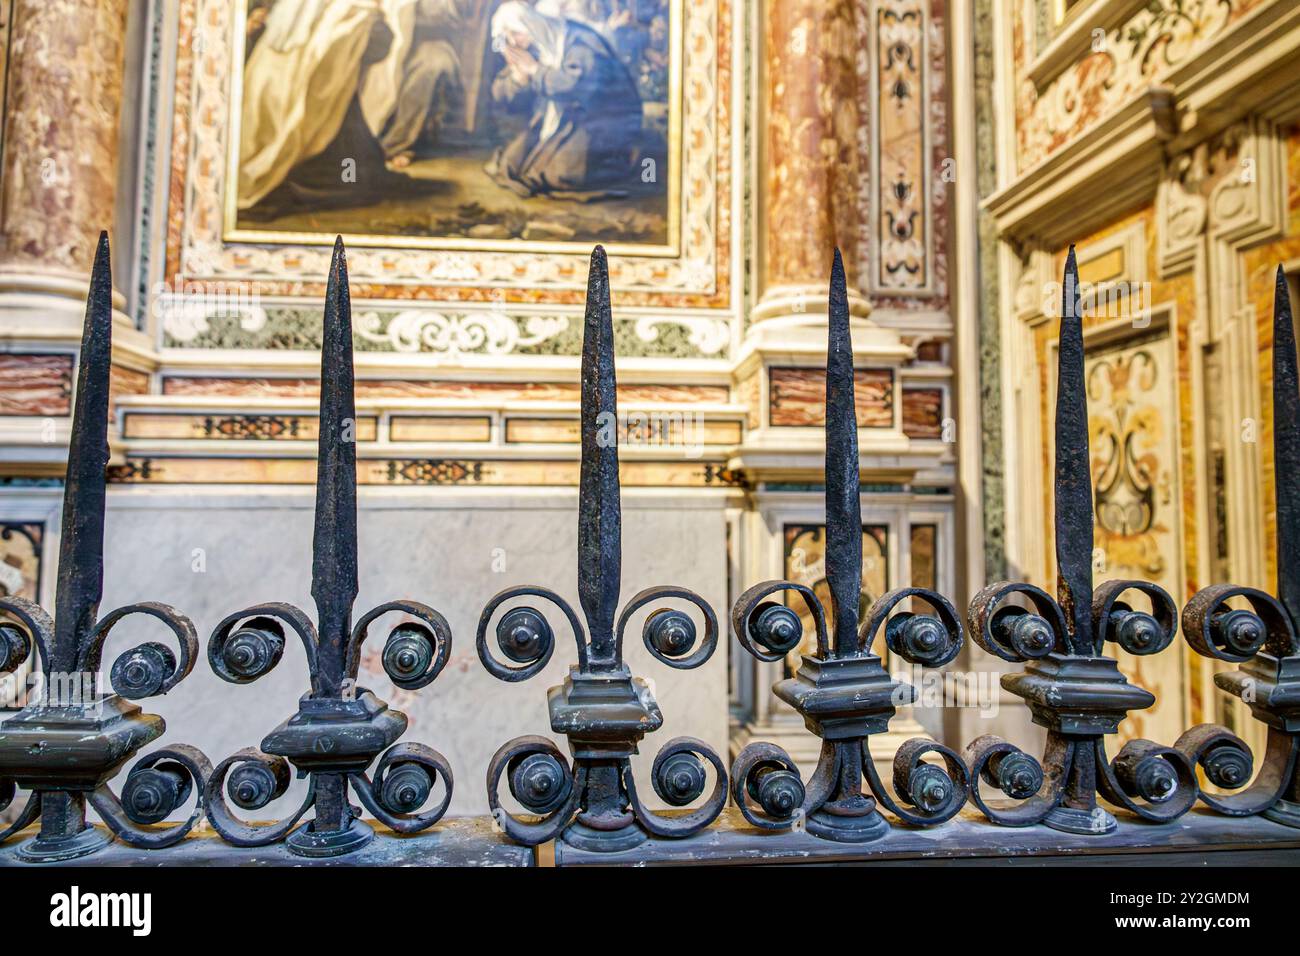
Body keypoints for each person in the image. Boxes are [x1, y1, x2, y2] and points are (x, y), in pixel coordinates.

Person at [484, 1, 643, 199]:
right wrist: (518, 79)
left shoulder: (581, 42)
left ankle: (622, 162)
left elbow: (578, 86)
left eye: (516, 33)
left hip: (600, 120)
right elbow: (501, 94)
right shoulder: (537, 46)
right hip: (563, 119)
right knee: (512, 163)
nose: (513, 41)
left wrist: (535, 71)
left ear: (536, 25)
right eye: (507, 36)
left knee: (559, 174)